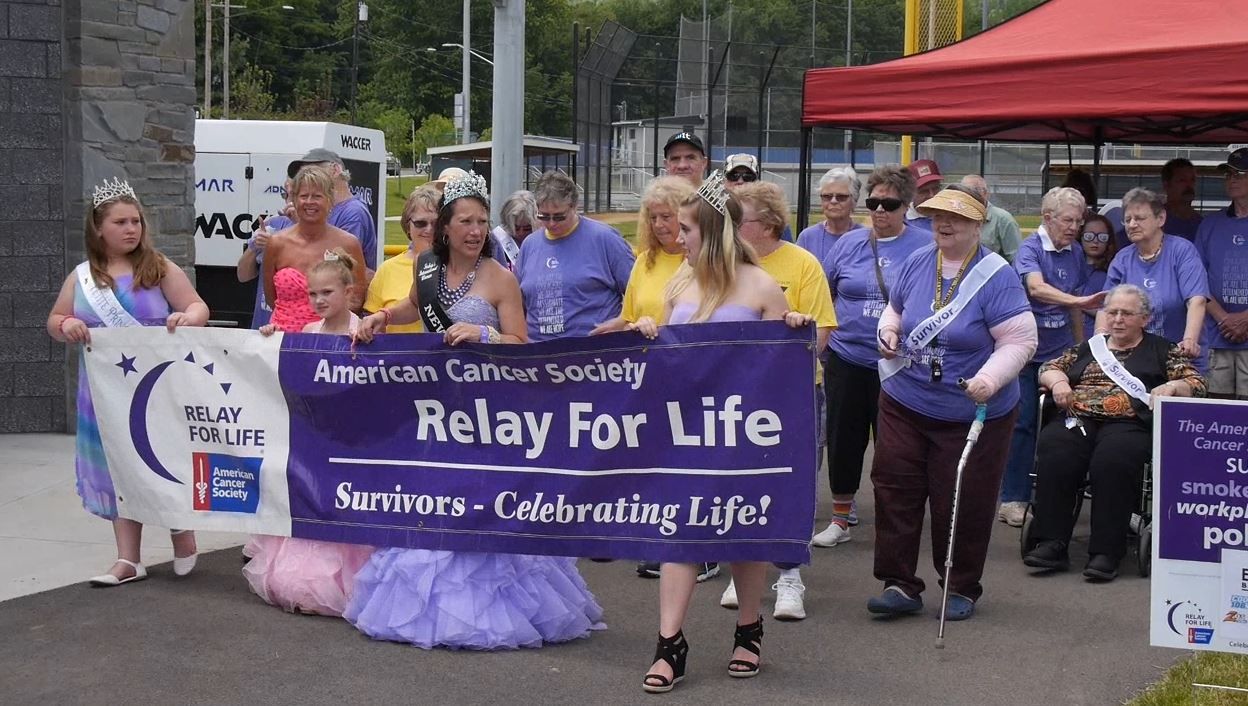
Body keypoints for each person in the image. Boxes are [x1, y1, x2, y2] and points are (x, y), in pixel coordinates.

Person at [351, 172, 605, 649]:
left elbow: (521, 343)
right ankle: (425, 606)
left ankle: (492, 610)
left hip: (488, 414)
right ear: (445, 226)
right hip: (437, 407)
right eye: (465, 220)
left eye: (482, 221)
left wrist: (483, 335)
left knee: (481, 503)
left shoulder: (501, 278)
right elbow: (410, 306)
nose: (474, 230)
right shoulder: (426, 266)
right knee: (436, 498)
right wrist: (382, 318)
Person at [629, 172, 814, 692]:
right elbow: (665, 358)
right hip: (687, 432)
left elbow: (783, 369)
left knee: (743, 532)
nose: (677, 237)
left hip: (743, 433)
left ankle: (748, 627)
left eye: (686, 228)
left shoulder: (759, 285)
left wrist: (793, 327)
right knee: (679, 532)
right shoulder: (680, 284)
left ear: (709, 232)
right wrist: (649, 333)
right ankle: (669, 644)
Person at [870, 185, 1036, 621]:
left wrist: (989, 379)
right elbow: (895, 309)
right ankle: (899, 583)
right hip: (906, 398)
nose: (945, 224)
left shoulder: (997, 275)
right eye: (939, 216)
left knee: (961, 496)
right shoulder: (917, 261)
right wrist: (888, 334)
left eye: (958, 218)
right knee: (895, 488)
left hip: (973, 409)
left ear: (979, 225)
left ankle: (960, 585)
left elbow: (1021, 340)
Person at [46, 177, 210, 586]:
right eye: (120, 222)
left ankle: (181, 533)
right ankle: (128, 559)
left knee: (162, 457)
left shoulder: (157, 268)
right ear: (98, 228)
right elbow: (54, 320)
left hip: (155, 387)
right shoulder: (83, 277)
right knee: (117, 464)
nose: (131, 229)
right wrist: (66, 324)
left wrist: (186, 318)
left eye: (135, 221)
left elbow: (197, 306)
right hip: (104, 392)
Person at [1025, 285, 1205, 580]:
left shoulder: (1162, 349)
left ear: (1144, 319)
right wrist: (1058, 383)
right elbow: (1049, 366)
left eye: (1127, 313)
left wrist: (1173, 387)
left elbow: (1196, 382)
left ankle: (1106, 551)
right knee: (1056, 448)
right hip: (1078, 417)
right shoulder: (1089, 347)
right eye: (1112, 312)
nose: (1118, 319)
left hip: (1129, 422)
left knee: (1112, 461)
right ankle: (1050, 543)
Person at [718, 180, 836, 621]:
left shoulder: (803, 264)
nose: (732, 229)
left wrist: (792, 332)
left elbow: (823, 332)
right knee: (739, 482)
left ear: (767, 224)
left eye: (740, 220)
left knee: (792, 483)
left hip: (795, 395)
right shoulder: (726, 266)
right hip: (737, 399)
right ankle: (742, 568)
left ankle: (789, 576)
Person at [813, 165, 930, 549]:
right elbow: (825, 291)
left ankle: (893, 519)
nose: (879, 210)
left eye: (889, 204)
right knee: (843, 440)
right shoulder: (849, 243)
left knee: (894, 447)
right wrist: (825, 340)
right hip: (847, 358)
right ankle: (841, 518)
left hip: (898, 365)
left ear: (906, 205)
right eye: (873, 202)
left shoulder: (925, 246)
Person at [997, 187, 1104, 528]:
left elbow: (1074, 299)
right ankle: (1012, 498)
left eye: (1078, 220)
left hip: (1060, 356)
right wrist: (1077, 303)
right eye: (1068, 220)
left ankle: (1056, 495)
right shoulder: (1030, 249)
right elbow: (1036, 288)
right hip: (1027, 354)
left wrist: (1079, 349)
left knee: (1065, 426)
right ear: (1047, 218)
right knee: (1024, 424)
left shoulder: (1073, 253)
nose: (1074, 227)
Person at [514, 170, 635, 341]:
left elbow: (638, 292)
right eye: (543, 216)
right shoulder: (530, 245)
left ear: (574, 206)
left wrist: (623, 321)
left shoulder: (605, 238)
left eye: (559, 217)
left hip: (595, 354)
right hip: (539, 354)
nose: (551, 223)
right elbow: (518, 303)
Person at [1100, 187, 1209, 372]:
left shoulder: (1182, 251)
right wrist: (1100, 340)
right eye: (1127, 220)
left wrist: (1190, 339)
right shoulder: (1122, 259)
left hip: (1180, 358)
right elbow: (1106, 307)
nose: (1132, 224)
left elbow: (1197, 300)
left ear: (1161, 219)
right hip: (1134, 362)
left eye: (1140, 218)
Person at [1196, 148, 1248, 399]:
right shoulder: (1209, 224)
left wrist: (1245, 318)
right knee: (1217, 414)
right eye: (1228, 174)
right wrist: (1223, 318)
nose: (1232, 179)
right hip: (1217, 337)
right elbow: (1197, 279)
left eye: (1239, 174)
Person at [361, 185, 440, 334]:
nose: (429, 229)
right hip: (397, 355)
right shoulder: (387, 269)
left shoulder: (457, 265)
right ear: (408, 226)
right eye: (420, 223)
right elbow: (370, 320)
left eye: (436, 224)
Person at [286, 148, 379, 274]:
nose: (307, 179)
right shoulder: (327, 210)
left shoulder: (353, 212)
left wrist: (303, 224)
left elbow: (340, 267)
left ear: (335, 170)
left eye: (313, 172)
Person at [237, 178, 294, 328]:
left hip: (292, 326)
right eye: (286, 194)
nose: (290, 201)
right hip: (262, 322)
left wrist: (274, 246)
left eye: (295, 194)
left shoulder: (320, 228)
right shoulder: (273, 224)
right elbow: (242, 275)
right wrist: (255, 247)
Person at [797, 166, 864, 265]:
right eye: (827, 196)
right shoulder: (807, 237)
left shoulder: (865, 237)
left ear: (854, 201)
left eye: (841, 197)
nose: (833, 201)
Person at [722, 154, 793, 242]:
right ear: (724, 180)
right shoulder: (712, 213)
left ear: (756, 181)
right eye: (734, 176)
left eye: (747, 177)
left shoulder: (771, 215)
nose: (740, 181)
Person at [960, 174, 1023, 263]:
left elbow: (1017, 259)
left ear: (986, 193)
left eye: (975, 191)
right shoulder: (957, 218)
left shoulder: (1004, 220)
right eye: (964, 192)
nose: (969, 196)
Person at [1078, 214, 1119, 340]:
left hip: (1096, 337)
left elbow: (1113, 312)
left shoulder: (1114, 271)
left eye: (1102, 237)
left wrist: (1076, 302)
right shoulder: (1070, 266)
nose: (1095, 241)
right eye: (1089, 236)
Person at [491, 190, 537, 270]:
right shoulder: (496, 241)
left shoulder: (541, 242)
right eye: (516, 228)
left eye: (527, 229)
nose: (521, 233)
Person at [1161, 158, 1203, 241]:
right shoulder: (1152, 223)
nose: (1189, 185)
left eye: (1192, 180)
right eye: (1182, 180)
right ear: (1166, 186)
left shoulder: (1202, 225)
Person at [904, 159, 942, 231]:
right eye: (924, 191)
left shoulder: (953, 217)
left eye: (935, 188)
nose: (932, 195)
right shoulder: (900, 223)